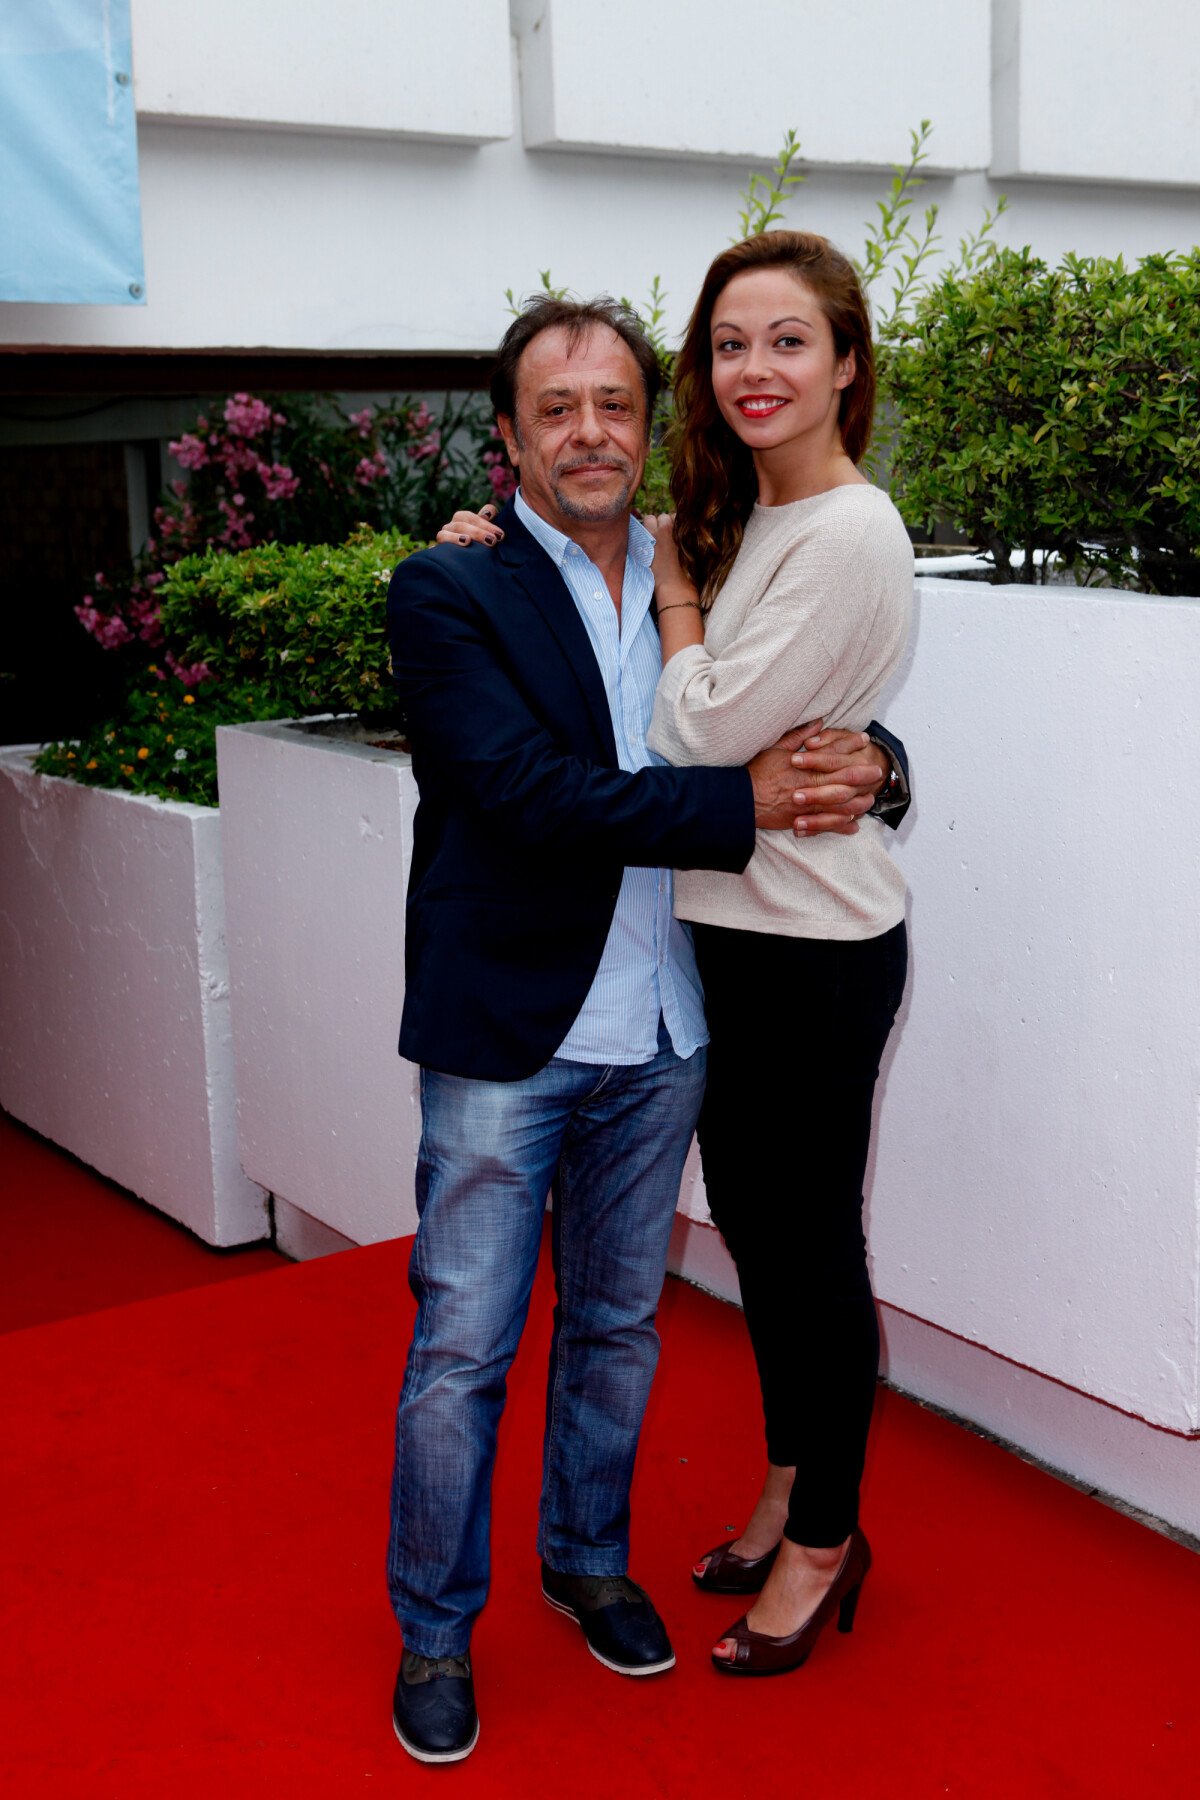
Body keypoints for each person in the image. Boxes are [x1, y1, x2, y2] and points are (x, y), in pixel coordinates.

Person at [385, 293, 906, 1761]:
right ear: (508, 440)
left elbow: (801, 685)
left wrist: (878, 760)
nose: (591, 432)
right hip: (509, 1033)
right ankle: (435, 1633)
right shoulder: (450, 588)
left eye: (614, 402)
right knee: (464, 1352)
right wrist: (743, 804)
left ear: (646, 417)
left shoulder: (707, 556)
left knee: (616, 1331)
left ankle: (586, 1559)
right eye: (556, 411)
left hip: (670, 1025)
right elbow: (529, 797)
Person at [640, 230, 913, 1676]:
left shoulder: (846, 530)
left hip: (812, 949)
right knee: (765, 1239)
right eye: (732, 343)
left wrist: (681, 593)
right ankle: (790, 1482)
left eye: (789, 340)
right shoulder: (760, 516)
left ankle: (826, 1542)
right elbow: (723, 724)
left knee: (806, 1254)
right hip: (741, 936)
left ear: (846, 364)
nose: (756, 369)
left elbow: (695, 727)